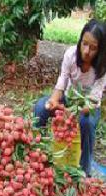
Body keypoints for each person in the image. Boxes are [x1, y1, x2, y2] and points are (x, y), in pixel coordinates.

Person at [34, 20, 106, 176]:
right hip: (67, 99)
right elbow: (61, 82)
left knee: (85, 123)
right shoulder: (71, 55)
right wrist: (53, 101)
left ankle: (85, 170)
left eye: (93, 48)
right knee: (41, 107)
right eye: (84, 44)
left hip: (89, 106)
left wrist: (74, 112)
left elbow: (94, 99)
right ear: (80, 41)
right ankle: (36, 152)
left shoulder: (102, 67)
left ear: (100, 50)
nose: (87, 51)